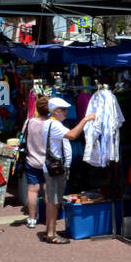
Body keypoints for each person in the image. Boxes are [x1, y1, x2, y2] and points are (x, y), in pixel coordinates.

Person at [40, 97, 92, 244]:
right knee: (53, 201)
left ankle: (50, 230)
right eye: (63, 110)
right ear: (55, 111)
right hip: (55, 170)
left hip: (54, 168)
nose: (66, 112)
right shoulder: (55, 125)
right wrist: (85, 120)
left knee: (53, 200)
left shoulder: (50, 123)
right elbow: (73, 135)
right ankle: (51, 233)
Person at [21, 97, 49, 230]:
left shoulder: (29, 122)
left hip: (31, 159)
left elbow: (24, 137)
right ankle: (50, 217)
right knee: (47, 189)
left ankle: (32, 218)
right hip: (47, 161)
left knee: (32, 190)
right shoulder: (51, 123)